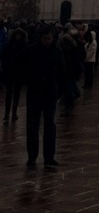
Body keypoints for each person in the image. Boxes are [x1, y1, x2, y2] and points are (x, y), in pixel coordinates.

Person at [23, 25, 65, 169]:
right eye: (45, 38)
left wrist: (59, 91)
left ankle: (49, 157)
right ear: (40, 38)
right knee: (32, 125)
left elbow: (61, 72)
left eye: (50, 38)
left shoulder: (57, 52)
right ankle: (32, 156)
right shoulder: (31, 50)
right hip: (34, 93)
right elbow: (25, 69)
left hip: (50, 94)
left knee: (50, 125)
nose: (47, 41)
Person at [2, 26, 28, 123]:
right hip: (10, 72)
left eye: (19, 35)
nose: (18, 37)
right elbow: (4, 57)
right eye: (17, 35)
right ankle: (7, 113)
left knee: (16, 93)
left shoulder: (24, 46)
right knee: (9, 93)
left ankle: (14, 112)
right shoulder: (10, 46)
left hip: (19, 73)